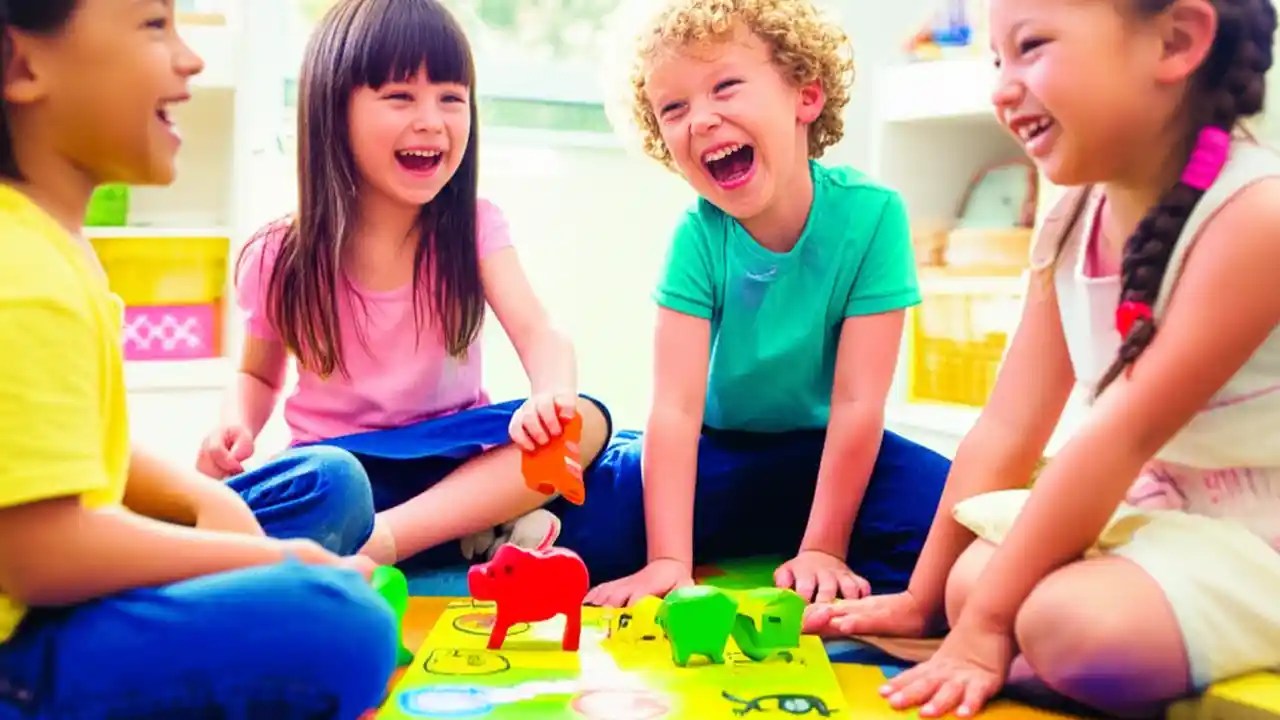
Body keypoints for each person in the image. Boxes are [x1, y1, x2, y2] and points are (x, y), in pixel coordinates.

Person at [805, 0, 1280, 716]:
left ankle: (1043, 652)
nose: (1000, 86)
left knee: (1066, 626)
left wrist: (985, 630)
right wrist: (926, 601)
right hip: (1154, 507)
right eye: (997, 59)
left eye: (1032, 47)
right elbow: (1007, 428)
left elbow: (1124, 434)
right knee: (969, 581)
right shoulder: (1071, 215)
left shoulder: (1254, 216)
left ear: (1176, 41)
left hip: (1257, 535)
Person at [0, 0, 399, 717]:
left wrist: (201, 497)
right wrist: (273, 561)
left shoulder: (51, 243)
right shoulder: (20, 274)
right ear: (23, 63)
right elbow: (34, 551)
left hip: (56, 574)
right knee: (341, 623)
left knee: (330, 482)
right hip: (21, 644)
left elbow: (73, 451)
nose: (190, 59)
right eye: (154, 27)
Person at [196, 0, 612, 571]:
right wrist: (235, 424)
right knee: (327, 482)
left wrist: (552, 394)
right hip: (344, 464)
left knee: (587, 421)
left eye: (451, 98)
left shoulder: (474, 227)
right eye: (400, 97)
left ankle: (388, 542)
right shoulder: (279, 255)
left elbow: (540, 332)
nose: (432, 120)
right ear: (332, 111)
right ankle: (473, 533)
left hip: (454, 459)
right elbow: (255, 373)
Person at [578, 0, 949, 607]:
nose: (700, 119)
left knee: (947, 522)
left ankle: (807, 538)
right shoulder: (698, 236)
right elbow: (674, 409)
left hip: (828, 448)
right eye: (674, 108)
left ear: (806, 97)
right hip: (719, 448)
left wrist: (826, 545)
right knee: (592, 532)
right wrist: (668, 561)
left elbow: (860, 403)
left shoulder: (874, 215)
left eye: (725, 86)